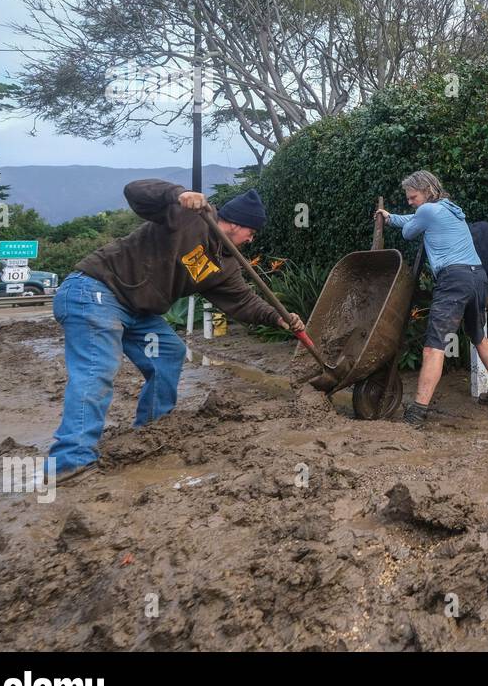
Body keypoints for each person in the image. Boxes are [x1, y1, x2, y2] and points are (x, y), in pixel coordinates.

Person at [47, 181, 305, 482]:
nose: (252, 239)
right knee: (96, 368)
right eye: (252, 231)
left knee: (169, 352)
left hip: (136, 310)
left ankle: (152, 429)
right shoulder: (188, 217)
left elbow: (243, 301)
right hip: (95, 291)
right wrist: (178, 195)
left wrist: (278, 317)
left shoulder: (224, 263)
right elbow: (135, 192)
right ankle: (70, 461)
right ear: (236, 224)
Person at [378, 171, 488, 426]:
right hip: (477, 276)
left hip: (454, 278)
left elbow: (409, 232)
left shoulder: (427, 212)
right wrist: (390, 217)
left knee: (433, 345)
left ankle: (417, 412)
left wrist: (394, 222)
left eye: (413, 197)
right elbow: (415, 218)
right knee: (478, 335)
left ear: (426, 190)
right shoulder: (449, 210)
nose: (410, 201)